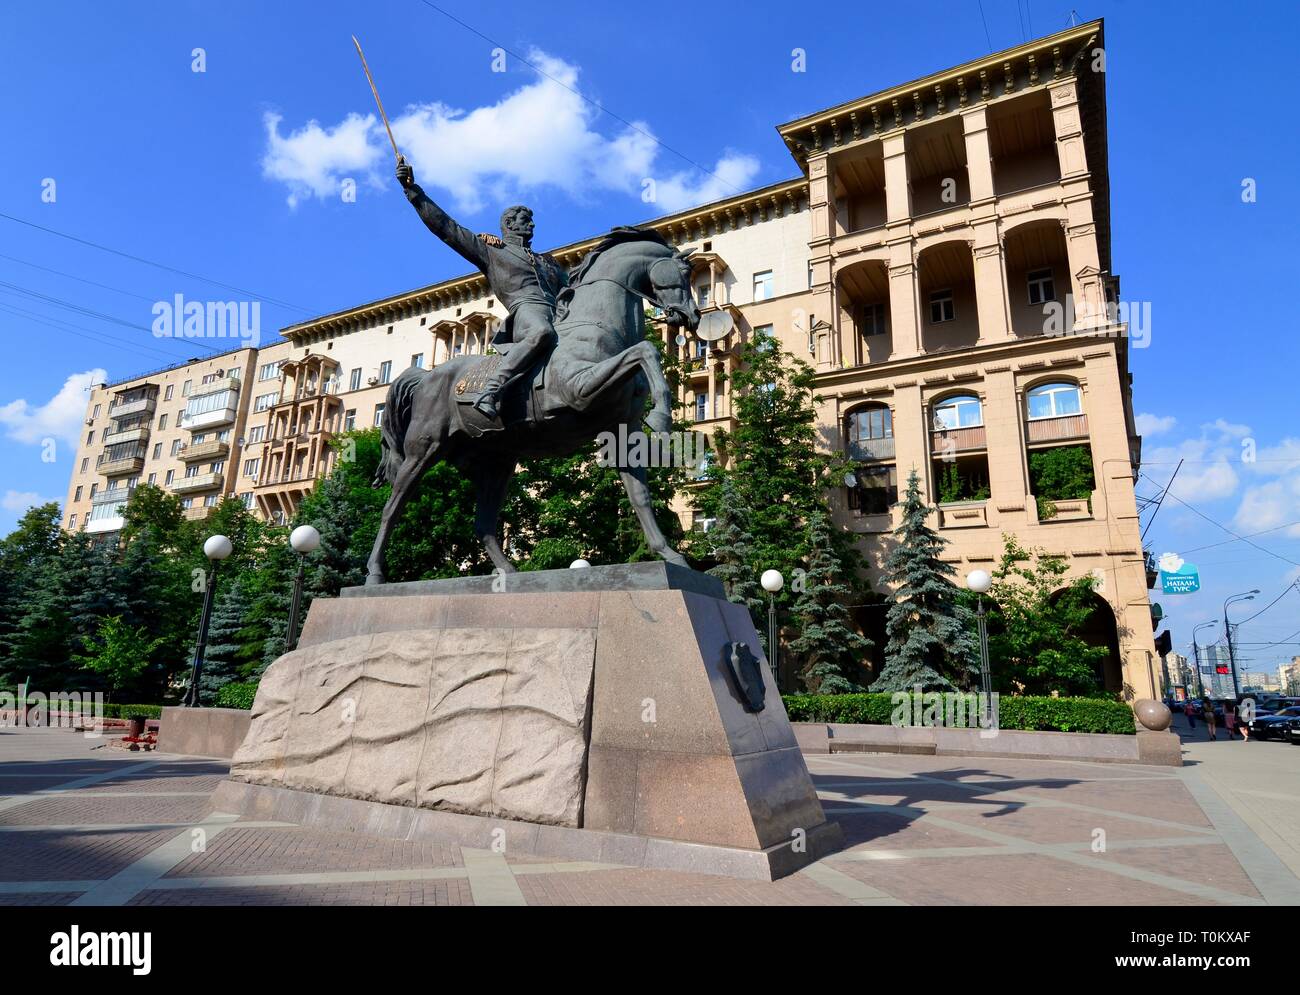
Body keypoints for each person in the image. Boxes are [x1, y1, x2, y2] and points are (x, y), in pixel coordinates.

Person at [395, 156, 567, 428]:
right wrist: (413, 191)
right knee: (541, 333)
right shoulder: (492, 251)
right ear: (509, 224)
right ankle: (492, 389)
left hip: (560, 314)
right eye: (525, 220)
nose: (532, 225)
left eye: (532, 221)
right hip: (527, 312)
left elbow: (569, 291)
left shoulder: (548, 261)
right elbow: (447, 228)